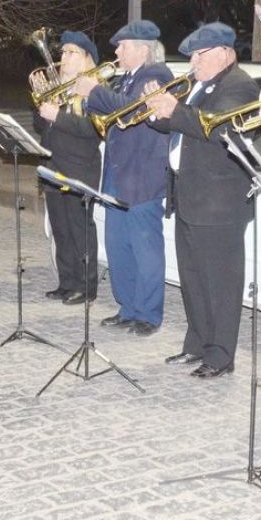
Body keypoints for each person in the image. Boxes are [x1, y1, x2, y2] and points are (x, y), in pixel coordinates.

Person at [146, 22, 258, 377]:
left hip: (219, 202)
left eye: (200, 54)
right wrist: (155, 110)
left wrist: (173, 110)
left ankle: (220, 356)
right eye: (192, 55)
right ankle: (196, 344)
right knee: (193, 279)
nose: (193, 62)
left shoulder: (239, 86)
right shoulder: (198, 85)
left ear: (225, 53)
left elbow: (217, 128)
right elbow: (177, 124)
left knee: (220, 285)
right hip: (190, 195)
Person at [78, 20, 173, 336]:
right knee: (118, 246)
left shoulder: (158, 76)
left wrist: (95, 90)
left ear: (143, 49)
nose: (116, 51)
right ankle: (128, 307)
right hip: (118, 176)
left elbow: (132, 111)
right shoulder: (124, 80)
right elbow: (109, 115)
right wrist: (89, 97)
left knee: (145, 250)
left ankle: (148, 314)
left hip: (142, 178)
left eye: (123, 46)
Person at [34, 30, 102, 305]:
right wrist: (43, 103)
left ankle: (86, 287)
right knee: (60, 228)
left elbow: (93, 130)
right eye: (63, 52)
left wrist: (58, 116)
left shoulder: (96, 89)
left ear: (87, 58)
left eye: (71, 52)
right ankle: (66, 282)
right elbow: (41, 127)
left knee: (79, 228)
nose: (64, 57)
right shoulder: (58, 87)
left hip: (81, 165)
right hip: (54, 162)